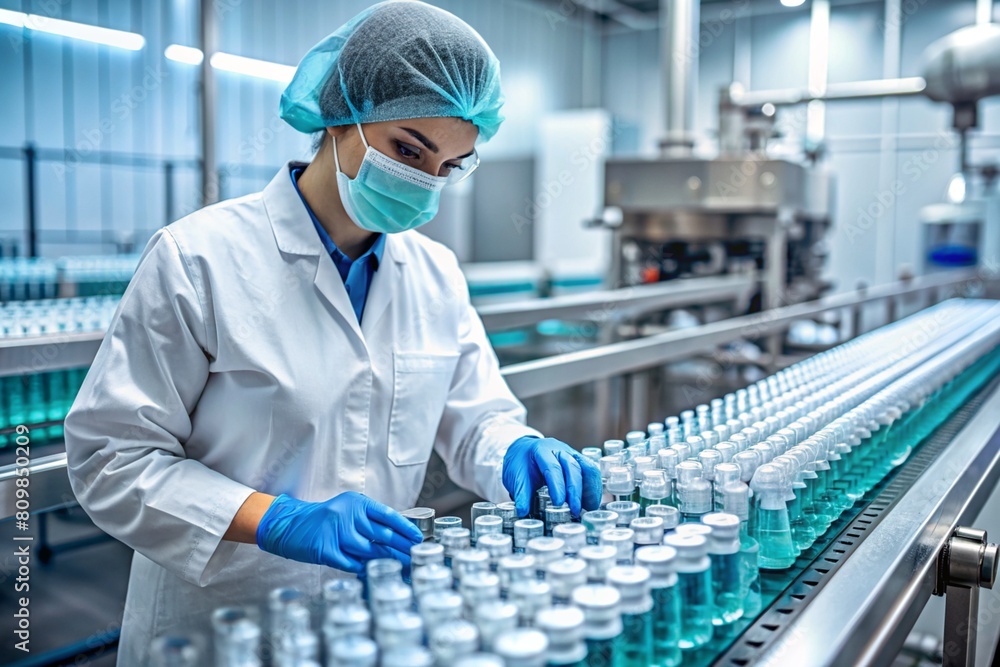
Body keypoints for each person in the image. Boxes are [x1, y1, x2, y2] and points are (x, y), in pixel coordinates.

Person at [64, 1, 602, 662]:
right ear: (342, 113)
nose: (424, 183)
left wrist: (517, 446)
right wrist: (276, 519)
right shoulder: (198, 259)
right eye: (409, 148)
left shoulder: (434, 274)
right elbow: (112, 460)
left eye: (449, 167)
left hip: (372, 625)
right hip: (215, 626)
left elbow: (476, 417)